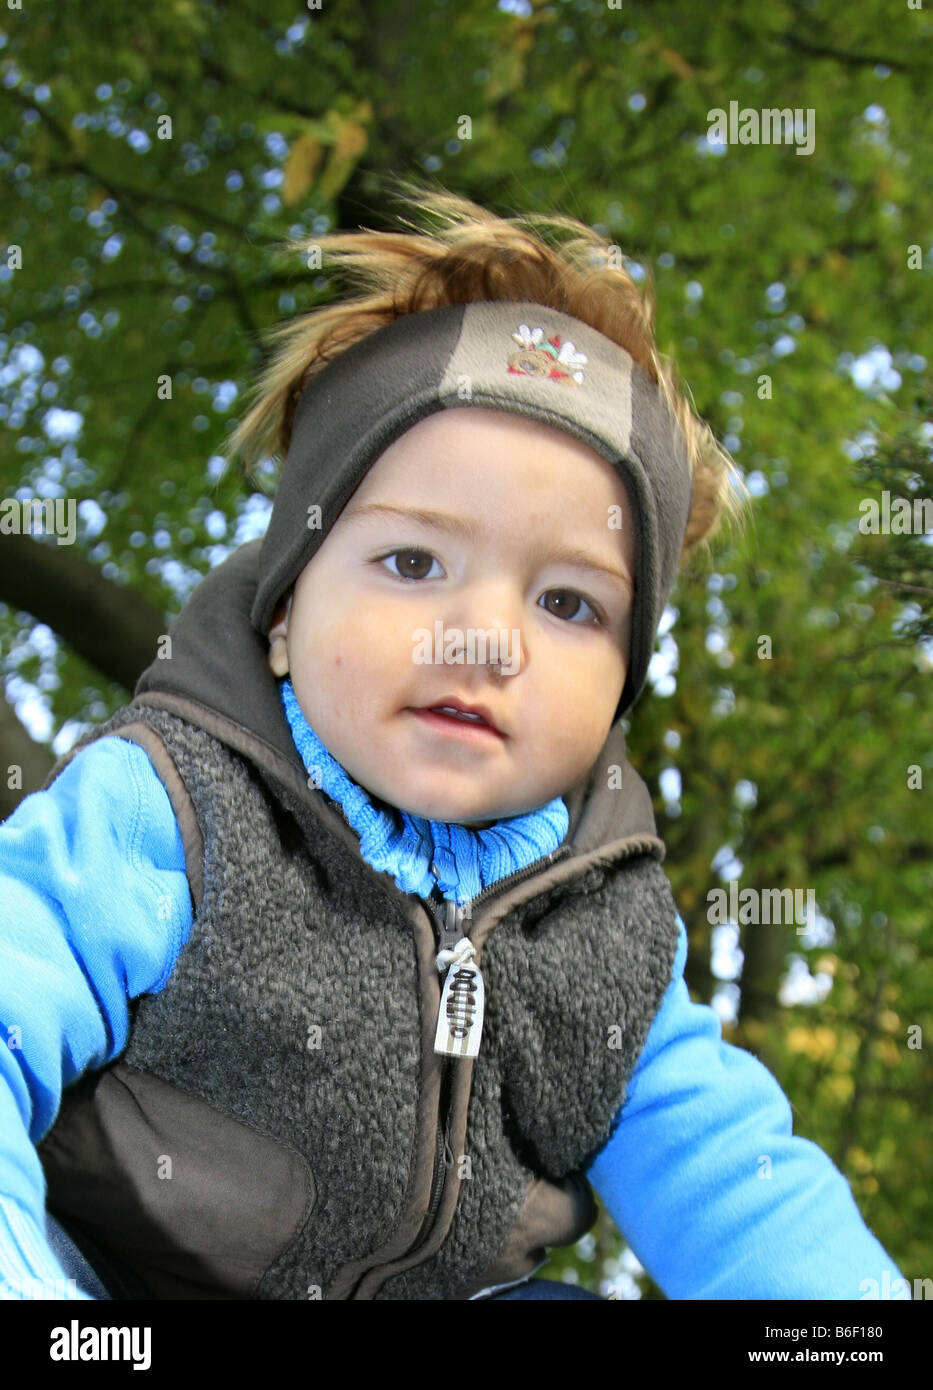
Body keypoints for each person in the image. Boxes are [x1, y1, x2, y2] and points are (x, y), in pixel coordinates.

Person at [0, 181, 907, 1301]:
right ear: (284, 612)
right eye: (415, 563)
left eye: (570, 603)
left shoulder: (613, 934)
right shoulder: (168, 811)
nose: (485, 639)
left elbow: (742, 1184)